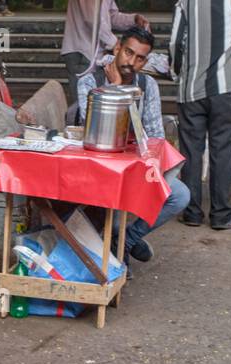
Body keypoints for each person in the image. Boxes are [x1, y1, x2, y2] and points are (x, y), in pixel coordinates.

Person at [74, 26, 190, 267]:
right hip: (100, 170)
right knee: (115, 220)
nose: (131, 62)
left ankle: (126, 241)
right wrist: (115, 88)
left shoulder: (148, 85)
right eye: (128, 52)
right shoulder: (90, 81)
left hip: (135, 167)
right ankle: (121, 240)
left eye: (139, 58)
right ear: (117, 48)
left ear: (145, 60)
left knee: (179, 196)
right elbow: (92, 126)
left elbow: (156, 135)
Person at [170, 0, 231, 230]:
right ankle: (221, 216)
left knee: (191, 151)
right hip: (225, 88)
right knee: (222, 151)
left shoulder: (185, 3)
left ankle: (192, 213)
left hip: (191, 90)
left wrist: (178, 73)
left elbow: (175, 43)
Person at [61, 0, 150, 88]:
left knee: (98, 94)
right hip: (82, 52)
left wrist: (133, 19)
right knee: (85, 97)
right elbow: (93, 20)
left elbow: (112, 16)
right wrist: (116, 44)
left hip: (97, 54)